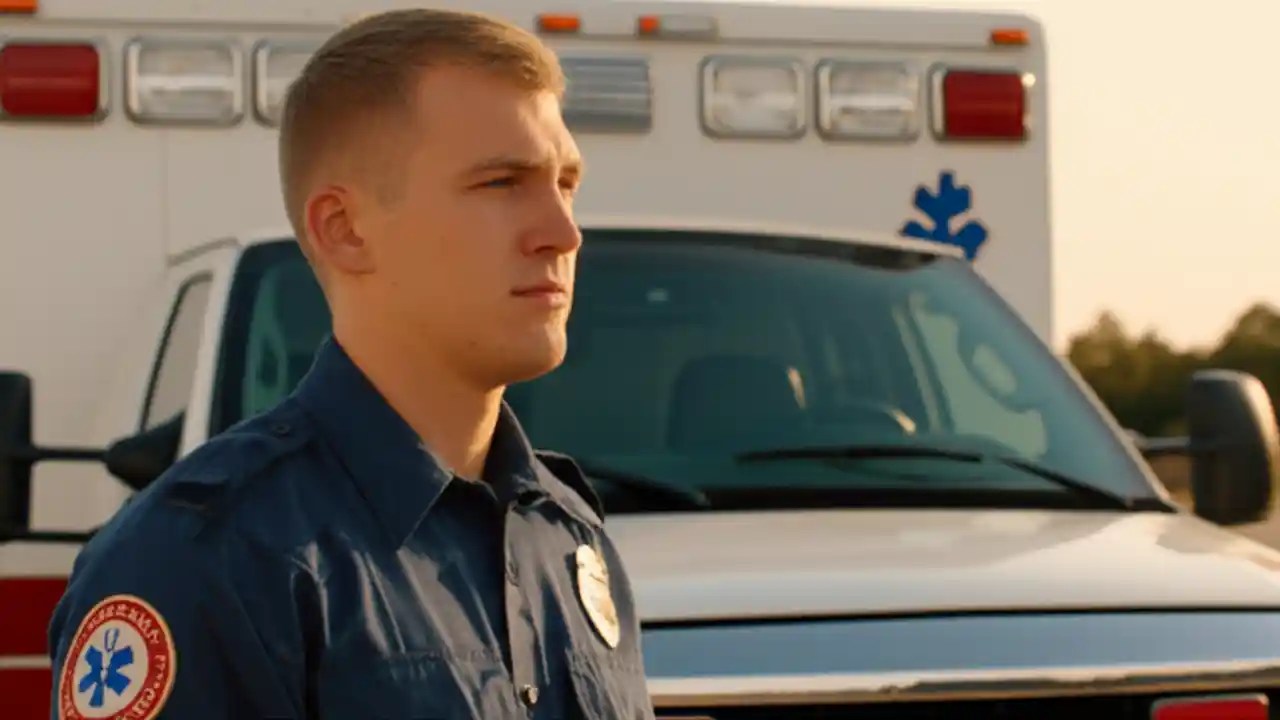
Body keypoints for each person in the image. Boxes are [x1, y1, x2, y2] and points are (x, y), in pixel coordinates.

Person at [46, 8, 656, 719]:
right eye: (501, 183)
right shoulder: (205, 559)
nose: (563, 232)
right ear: (344, 230)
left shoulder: (566, 536)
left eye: (566, 183)